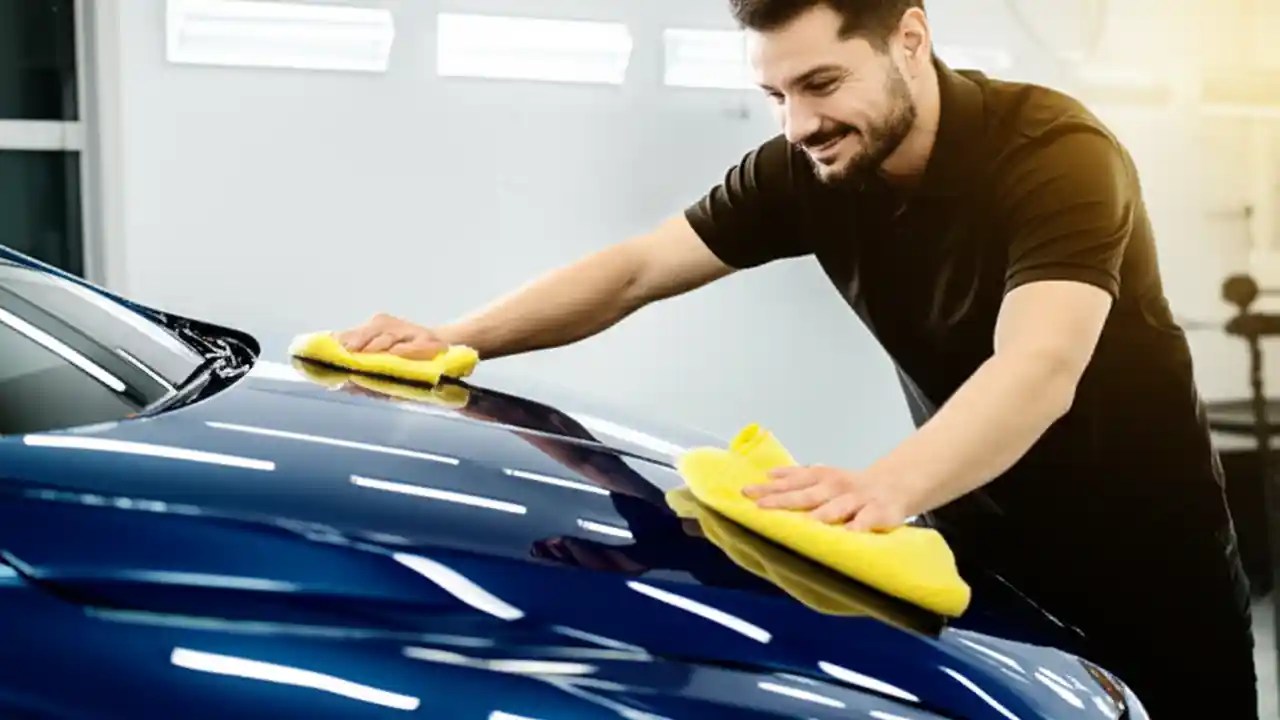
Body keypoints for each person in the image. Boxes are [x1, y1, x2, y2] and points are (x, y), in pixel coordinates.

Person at [337, 0, 1258, 715]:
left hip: (1150, 565)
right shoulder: (810, 168)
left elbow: (1040, 367)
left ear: (909, 39)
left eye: (821, 83)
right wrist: (457, 336)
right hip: (980, 550)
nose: (798, 124)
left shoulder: (1056, 154)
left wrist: (888, 486)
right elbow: (637, 269)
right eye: (778, 94)